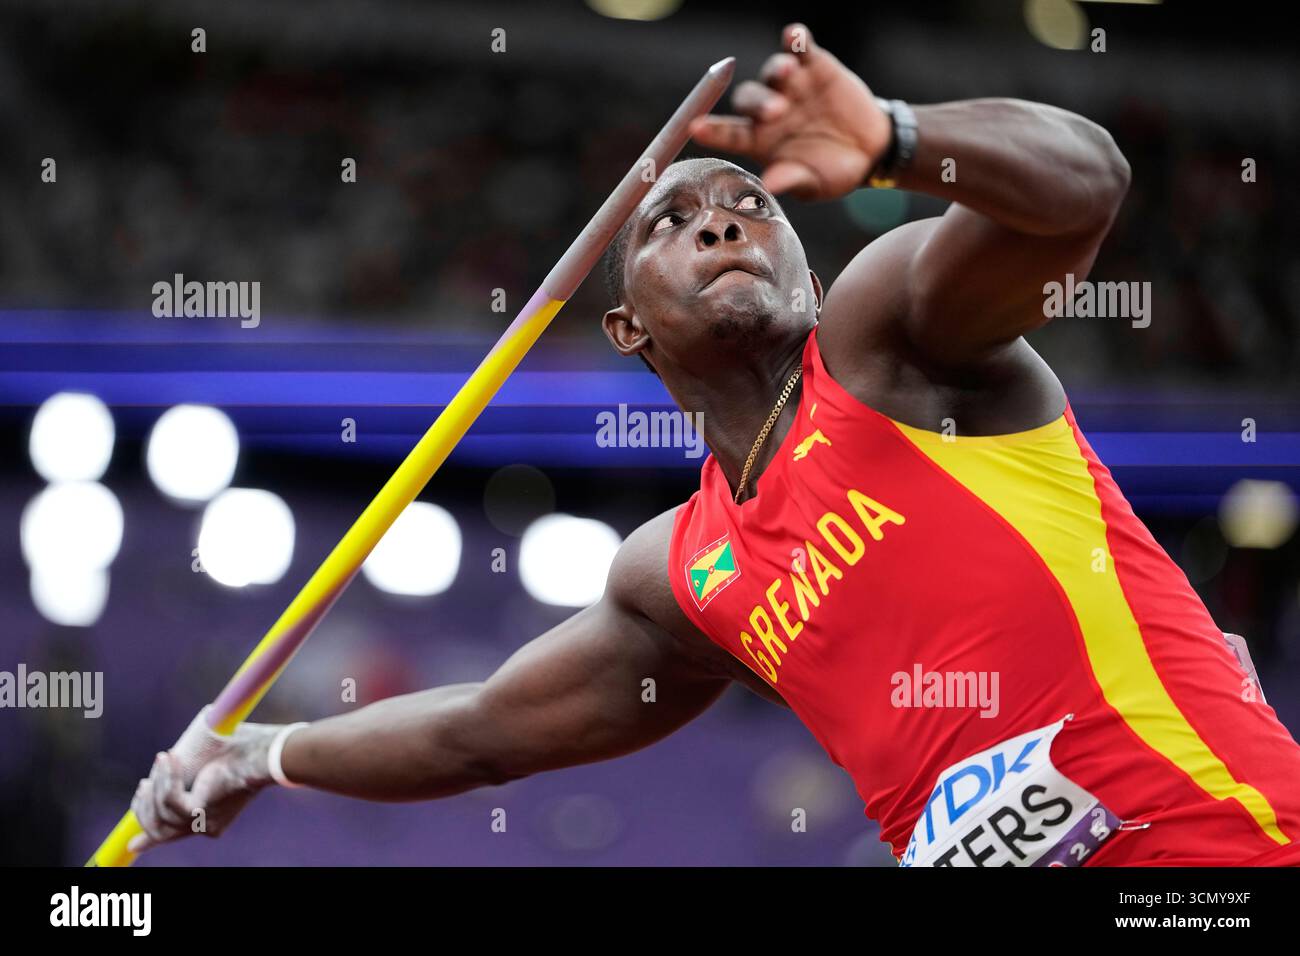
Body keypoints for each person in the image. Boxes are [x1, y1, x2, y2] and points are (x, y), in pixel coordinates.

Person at [131, 23, 1300, 866]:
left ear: (808, 264)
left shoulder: (891, 341)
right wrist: (260, 753)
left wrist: (897, 138)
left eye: (752, 203)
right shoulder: (685, 575)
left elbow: (1086, 188)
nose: (723, 218)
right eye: (674, 220)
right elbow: (481, 729)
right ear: (627, 323)